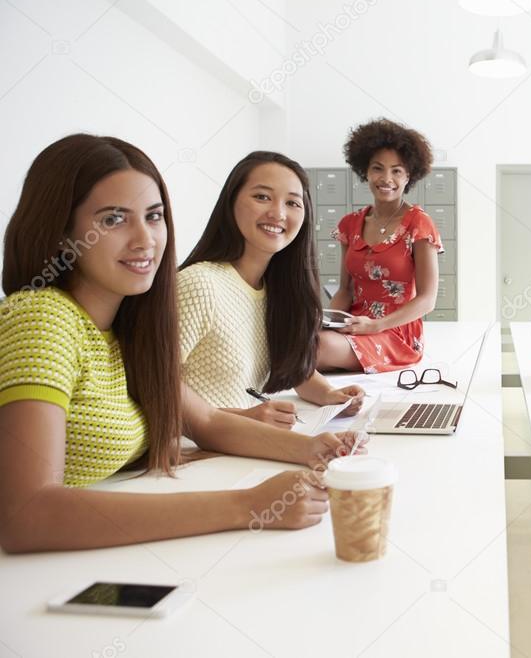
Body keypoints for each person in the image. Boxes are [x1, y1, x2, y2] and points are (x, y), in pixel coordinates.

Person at [0, 135, 364, 554]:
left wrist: (317, 449)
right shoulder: (42, 318)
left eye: (153, 217)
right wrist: (247, 505)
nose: (145, 240)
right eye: (113, 220)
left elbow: (205, 421)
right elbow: (25, 514)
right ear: (62, 234)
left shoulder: (130, 323)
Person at [178, 151, 364, 429]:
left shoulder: (275, 290)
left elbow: (290, 363)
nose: (278, 213)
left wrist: (327, 394)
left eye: (292, 202)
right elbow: (150, 386)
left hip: (245, 443)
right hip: (196, 451)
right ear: (231, 203)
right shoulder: (198, 284)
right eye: (262, 197)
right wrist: (241, 418)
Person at [317, 119, 443, 374]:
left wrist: (375, 325)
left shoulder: (419, 224)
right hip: (352, 324)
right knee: (301, 342)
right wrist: (322, 322)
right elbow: (345, 290)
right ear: (365, 171)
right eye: (378, 168)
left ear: (409, 176)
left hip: (393, 331)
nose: (386, 179)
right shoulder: (349, 225)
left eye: (397, 171)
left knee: (317, 349)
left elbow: (427, 300)